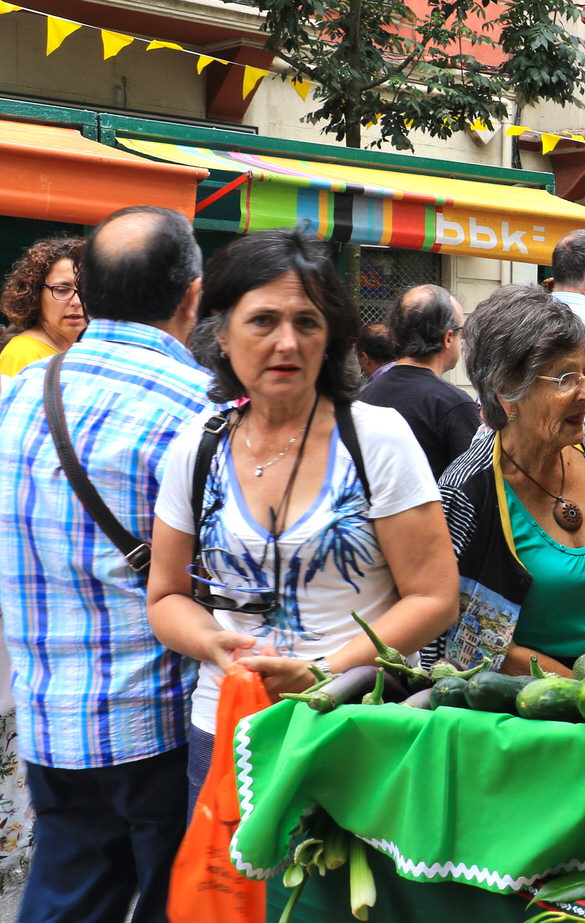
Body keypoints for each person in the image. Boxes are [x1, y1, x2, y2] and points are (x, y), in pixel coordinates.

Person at [145, 230, 458, 803]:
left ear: (331, 337)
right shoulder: (199, 445)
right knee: (228, 892)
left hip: (357, 729)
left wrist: (323, 672)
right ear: (222, 330)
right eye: (263, 320)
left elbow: (434, 598)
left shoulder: (376, 439)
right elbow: (165, 596)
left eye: (307, 323)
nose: (286, 342)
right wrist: (217, 643)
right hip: (227, 732)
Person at [0, 206, 208, 923]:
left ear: (84, 292)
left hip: (51, 719)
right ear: (192, 296)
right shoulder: (201, 412)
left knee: (62, 903)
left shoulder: (17, 394)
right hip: (161, 725)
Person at [435, 285, 585, 675]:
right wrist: (583, 691)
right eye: (566, 378)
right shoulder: (467, 492)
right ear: (506, 391)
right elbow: (466, 637)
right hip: (523, 709)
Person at [360, 285, 479, 478]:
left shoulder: (362, 397)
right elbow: (471, 491)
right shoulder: (456, 405)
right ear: (448, 338)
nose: (462, 340)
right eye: (461, 332)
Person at [0, 236, 86, 376]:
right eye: (62, 289)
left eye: (86, 290)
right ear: (35, 293)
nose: (76, 301)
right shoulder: (23, 354)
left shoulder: (80, 350)